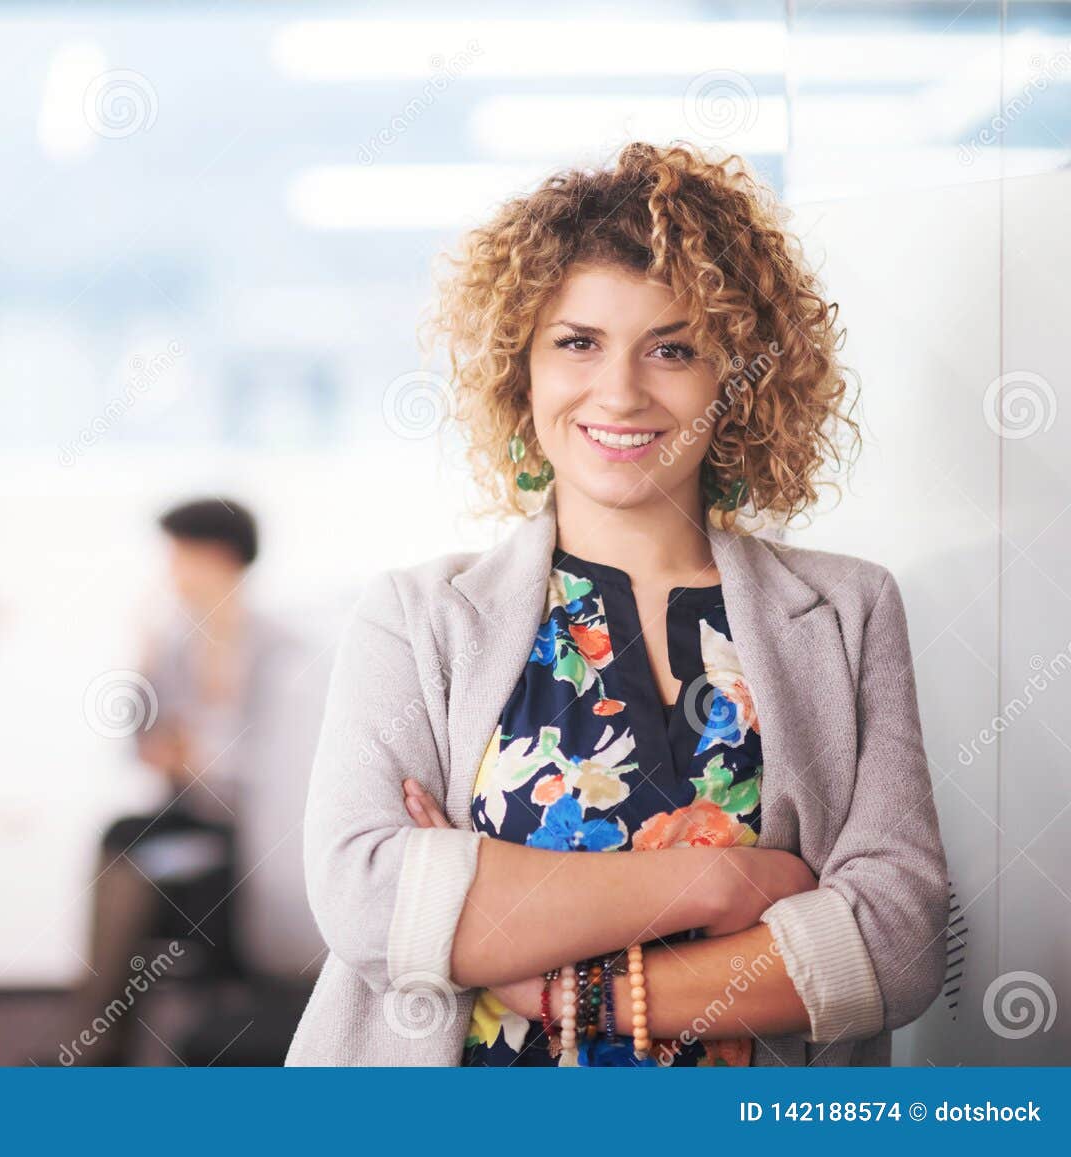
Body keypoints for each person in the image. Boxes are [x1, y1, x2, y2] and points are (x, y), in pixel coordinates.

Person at [287, 141, 949, 1067]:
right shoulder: (416, 616)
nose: (622, 391)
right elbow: (369, 897)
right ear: (523, 370)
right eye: (578, 343)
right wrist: (719, 880)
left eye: (672, 349)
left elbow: (896, 939)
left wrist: (557, 983)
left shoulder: (847, 612)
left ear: (738, 379)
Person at [64, 498, 287, 1065]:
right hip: (191, 812)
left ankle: (106, 1050)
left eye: (180, 555)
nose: (171, 571)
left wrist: (196, 754)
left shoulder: (277, 646)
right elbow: (143, 748)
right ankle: (101, 1042)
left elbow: (266, 764)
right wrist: (141, 663)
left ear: (218, 558)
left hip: (256, 829)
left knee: (141, 857)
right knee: (119, 836)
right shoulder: (175, 642)